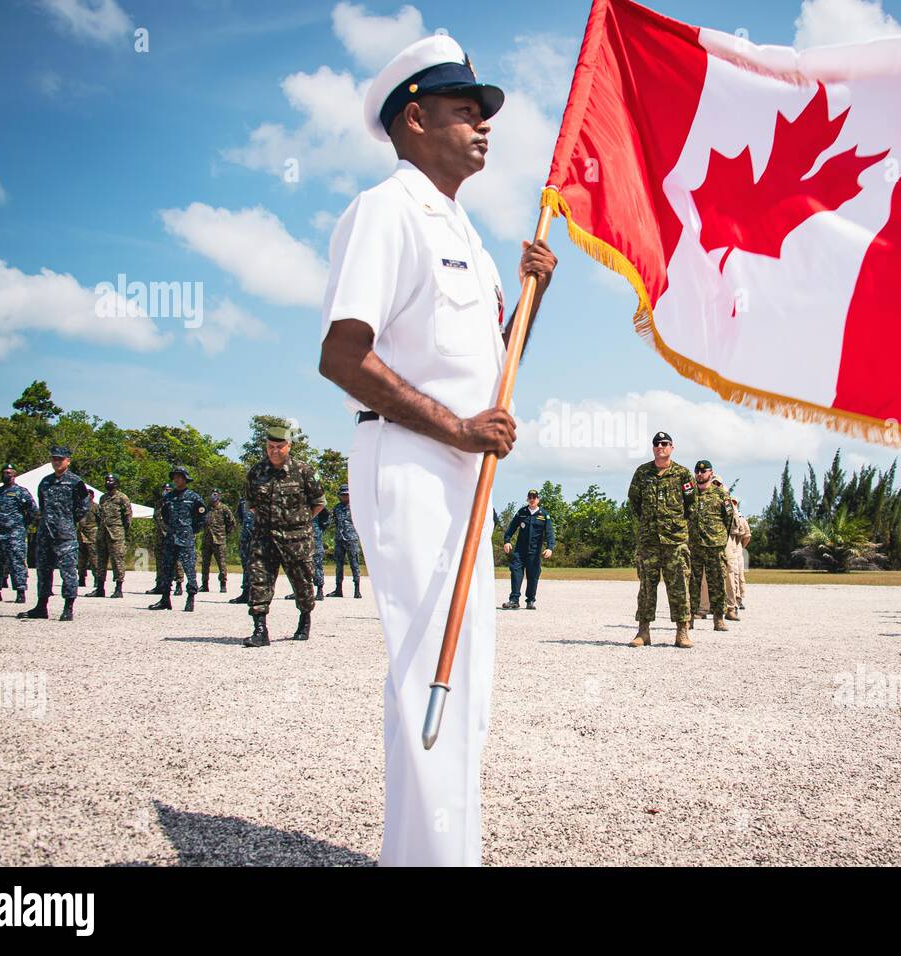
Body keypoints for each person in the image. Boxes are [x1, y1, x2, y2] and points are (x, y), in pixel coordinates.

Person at [317, 32, 556, 866]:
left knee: (469, 685)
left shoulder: (466, 228)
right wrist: (456, 429)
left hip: (463, 469)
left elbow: (484, 363)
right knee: (433, 669)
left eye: (484, 112)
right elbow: (343, 357)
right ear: (414, 118)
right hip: (411, 460)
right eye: (465, 110)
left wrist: (533, 301)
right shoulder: (387, 210)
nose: (483, 125)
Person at [243, 427, 325, 645]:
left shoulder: (304, 471)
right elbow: (251, 504)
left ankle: (304, 620)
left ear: (289, 446)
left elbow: (318, 503)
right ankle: (260, 630)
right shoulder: (256, 472)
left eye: (279, 447)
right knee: (258, 581)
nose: (275, 451)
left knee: (303, 583)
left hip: (296, 539)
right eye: (270, 447)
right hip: (264, 538)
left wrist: (298, 521)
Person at [627, 432, 695, 648]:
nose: (660, 447)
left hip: (675, 541)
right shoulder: (642, 473)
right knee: (647, 586)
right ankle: (643, 631)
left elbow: (691, 505)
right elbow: (634, 502)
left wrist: (676, 526)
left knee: (679, 587)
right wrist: (648, 523)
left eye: (664, 444)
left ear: (672, 447)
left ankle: (682, 632)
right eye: (656, 444)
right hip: (649, 541)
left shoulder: (683, 474)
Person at [19, 445, 90, 621]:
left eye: (60, 459)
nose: (56, 462)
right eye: (54, 458)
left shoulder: (76, 482)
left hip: (64, 534)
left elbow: (84, 507)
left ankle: (68, 608)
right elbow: (42, 505)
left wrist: (67, 521)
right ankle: (41, 607)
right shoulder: (45, 481)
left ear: (68, 461)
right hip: (45, 533)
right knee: (43, 569)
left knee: (68, 570)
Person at [148, 467, 206, 612]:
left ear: (185, 479)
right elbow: (165, 515)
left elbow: (202, 517)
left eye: (180, 477)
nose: (177, 480)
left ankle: (190, 598)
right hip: (171, 537)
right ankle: (165, 599)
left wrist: (191, 531)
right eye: (175, 477)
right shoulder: (168, 497)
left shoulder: (193, 497)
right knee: (166, 569)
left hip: (186, 538)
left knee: (189, 569)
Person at [0, 465, 37, 604]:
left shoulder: (21, 492)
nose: (6, 475)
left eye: (9, 473)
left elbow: (33, 510)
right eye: (4, 473)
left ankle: (20, 592)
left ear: (14, 475)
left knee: (16, 563)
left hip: (14, 534)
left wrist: (21, 525)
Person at [688, 461, 732, 631]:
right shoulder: (690, 495)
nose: (699, 474)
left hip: (715, 546)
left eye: (703, 471)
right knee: (692, 583)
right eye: (697, 471)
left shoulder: (721, 494)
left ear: (711, 473)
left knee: (717, 583)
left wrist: (720, 538)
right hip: (694, 546)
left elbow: (728, 520)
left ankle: (719, 618)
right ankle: (689, 617)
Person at [501, 489, 554, 610]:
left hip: (535, 552)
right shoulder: (521, 513)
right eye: (530, 497)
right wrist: (507, 541)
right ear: (527, 499)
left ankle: (530, 601)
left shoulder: (544, 515)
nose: (532, 499)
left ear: (538, 499)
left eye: (534, 497)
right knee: (515, 572)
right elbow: (511, 528)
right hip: (520, 550)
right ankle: (514, 600)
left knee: (533, 575)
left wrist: (550, 547)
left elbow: (550, 533)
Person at [88, 474, 132, 598]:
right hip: (102, 534)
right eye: (106, 480)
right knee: (100, 561)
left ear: (116, 483)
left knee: (117, 560)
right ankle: (100, 588)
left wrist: (122, 531)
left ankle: (118, 588)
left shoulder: (122, 498)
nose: (108, 482)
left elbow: (128, 517)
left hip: (116, 534)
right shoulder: (103, 498)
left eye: (111, 481)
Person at [329, 484, 363, 598]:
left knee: (354, 564)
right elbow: (332, 522)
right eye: (342, 495)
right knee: (339, 566)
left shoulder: (356, 507)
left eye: (346, 494)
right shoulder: (337, 508)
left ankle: (357, 590)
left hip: (352, 539)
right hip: (339, 539)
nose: (344, 497)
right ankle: (338, 589)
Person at [199, 490, 236, 593]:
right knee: (205, 564)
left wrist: (225, 534)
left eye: (215, 494)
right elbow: (200, 520)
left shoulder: (224, 508)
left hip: (219, 540)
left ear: (219, 496)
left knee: (222, 564)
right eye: (212, 494)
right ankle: (204, 585)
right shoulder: (206, 508)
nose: (213, 496)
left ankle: (223, 585)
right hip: (207, 540)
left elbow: (232, 523)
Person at [724, 491, 751, 618]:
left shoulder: (727, 504)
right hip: (706, 541)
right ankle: (703, 608)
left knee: (734, 573)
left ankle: (733, 604)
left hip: (729, 541)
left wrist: (737, 546)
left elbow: (741, 532)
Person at [230, 496, 255, 604]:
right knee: (246, 564)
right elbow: (240, 517)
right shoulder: (243, 500)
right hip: (246, 536)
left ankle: (258, 594)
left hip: (259, 536)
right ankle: (246, 592)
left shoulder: (264, 496)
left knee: (260, 566)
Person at [76, 489, 98, 591]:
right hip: (80, 535)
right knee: (81, 559)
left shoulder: (95, 507)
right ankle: (81, 578)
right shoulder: (79, 507)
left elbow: (101, 520)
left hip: (92, 536)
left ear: (92, 497)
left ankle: (97, 579)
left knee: (94, 559)